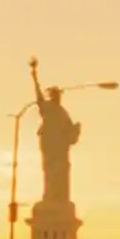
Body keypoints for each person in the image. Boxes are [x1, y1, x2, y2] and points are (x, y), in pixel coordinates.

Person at [31, 58, 81, 203]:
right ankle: (50, 196)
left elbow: (71, 136)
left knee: (60, 172)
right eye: (56, 95)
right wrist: (34, 78)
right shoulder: (48, 108)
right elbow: (39, 98)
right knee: (50, 171)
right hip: (50, 147)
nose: (59, 97)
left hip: (60, 150)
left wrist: (76, 129)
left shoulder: (63, 113)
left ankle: (57, 198)